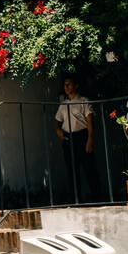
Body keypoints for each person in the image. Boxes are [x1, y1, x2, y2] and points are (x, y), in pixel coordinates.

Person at [54, 74, 100, 203]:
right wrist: (58, 131)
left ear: (76, 85)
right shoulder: (63, 104)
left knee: (89, 168)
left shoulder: (84, 101)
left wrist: (90, 139)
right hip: (69, 138)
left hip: (82, 136)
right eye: (65, 85)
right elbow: (57, 120)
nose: (67, 87)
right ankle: (75, 199)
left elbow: (89, 120)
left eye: (69, 84)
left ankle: (97, 197)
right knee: (72, 170)